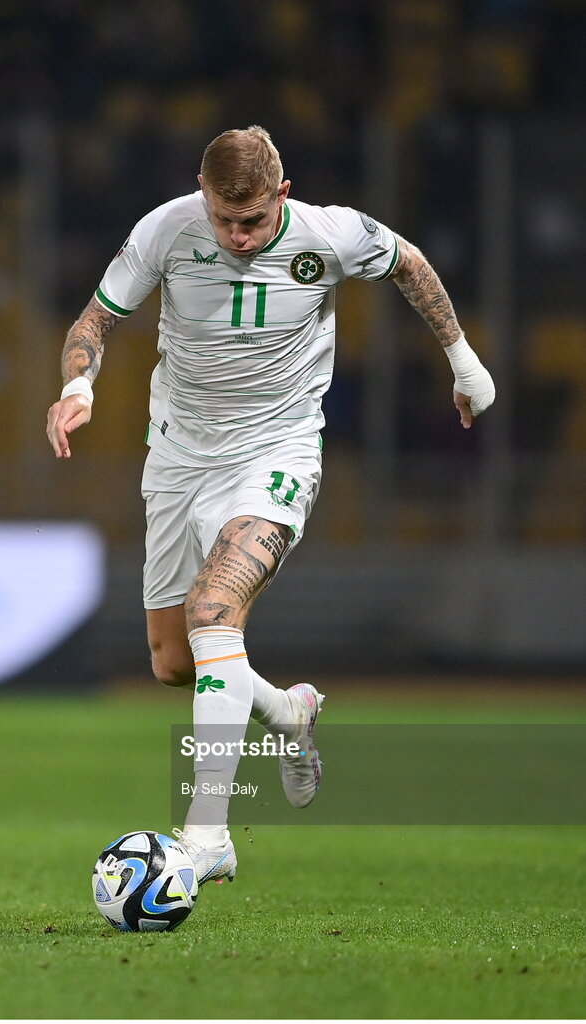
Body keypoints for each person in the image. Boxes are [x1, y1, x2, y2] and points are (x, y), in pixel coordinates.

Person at [46, 126, 495, 885]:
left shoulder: (331, 233)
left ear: (280, 197)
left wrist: (462, 358)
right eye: (222, 218)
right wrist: (78, 387)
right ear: (202, 194)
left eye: (251, 220)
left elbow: (409, 264)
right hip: (179, 454)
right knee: (171, 663)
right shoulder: (166, 228)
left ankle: (207, 836)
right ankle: (287, 712)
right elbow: (95, 318)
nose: (236, 236)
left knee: (214, 610)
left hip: (276, 453)